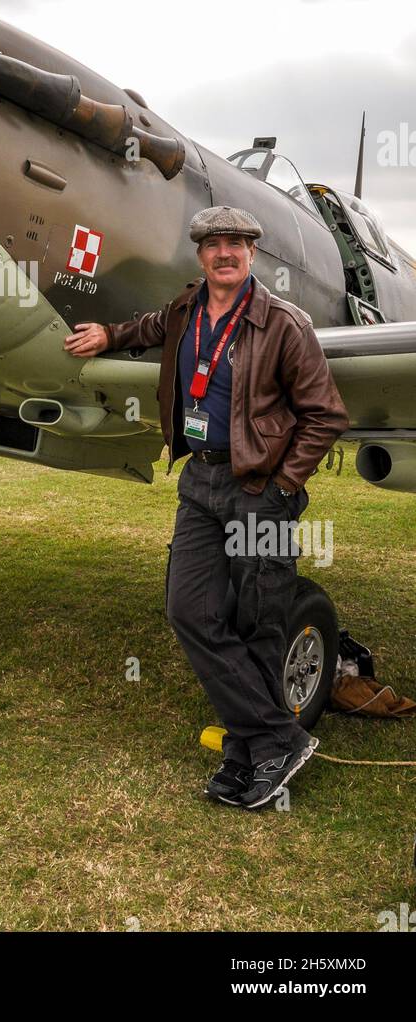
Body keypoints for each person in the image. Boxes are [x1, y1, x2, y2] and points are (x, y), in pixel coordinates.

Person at [64, 205, 350, 810]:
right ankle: (276, 738)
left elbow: (326, 414)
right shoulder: (186, 308)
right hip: (200, 482)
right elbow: (148, 328)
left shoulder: (283, 323)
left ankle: (253, 754)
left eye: (237, 244)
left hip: (257, 488)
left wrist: (282, 487)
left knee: (259, 617)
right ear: (200, 255)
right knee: (189, 609)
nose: (225, 253)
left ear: (252, 254)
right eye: (214, 243)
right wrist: (108, 336)